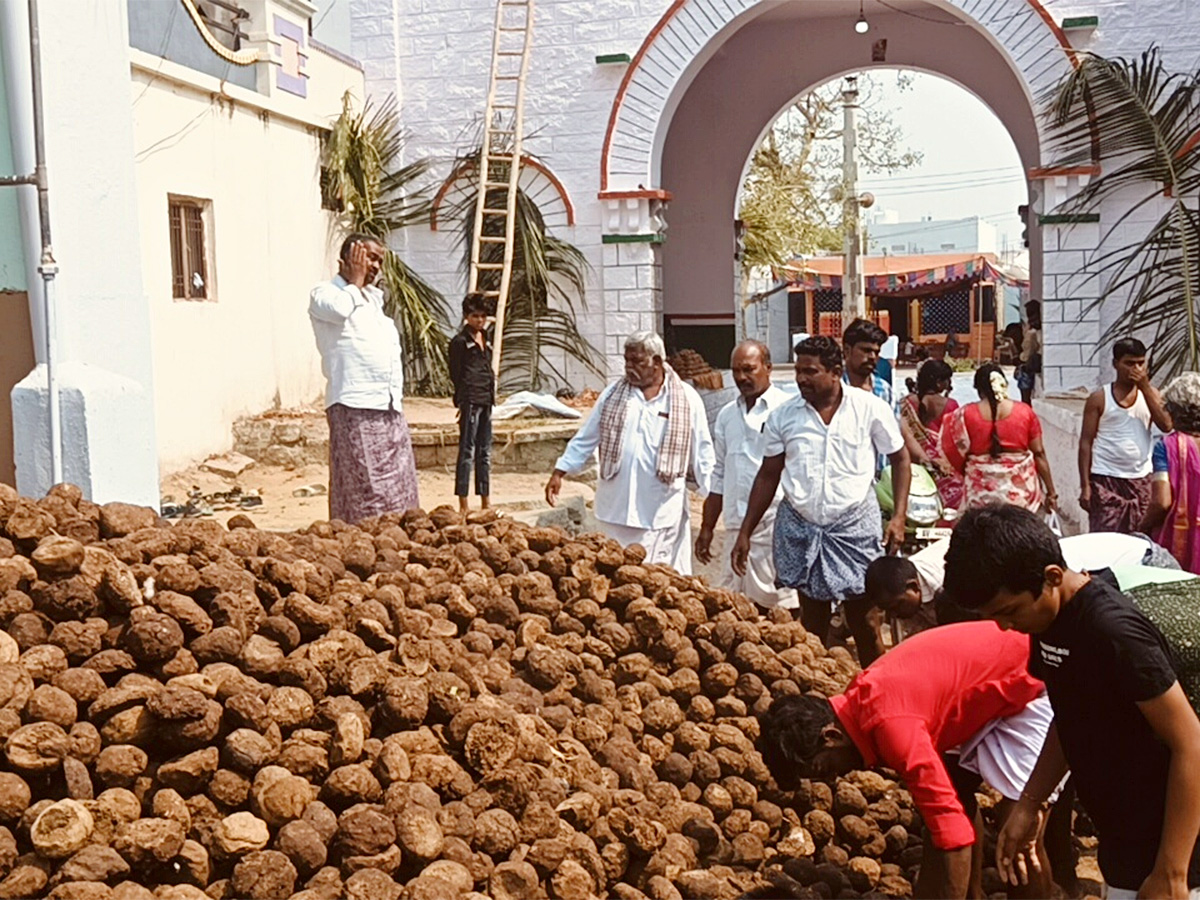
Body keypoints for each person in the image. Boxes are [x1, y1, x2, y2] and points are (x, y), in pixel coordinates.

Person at [943, 504, 1200, 900]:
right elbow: (1069, 716)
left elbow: (1191, 742)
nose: (1005, 626)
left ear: (1052, 576)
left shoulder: (1112, 632)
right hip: (1123, 836)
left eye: (1009, 612)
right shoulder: (1048, 621)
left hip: (1173, 843)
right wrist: (1029, 803)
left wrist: (1172, 872)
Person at [758, 622, 1055, 899]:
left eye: (824, 768)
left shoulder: (892, 728)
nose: (833, 778)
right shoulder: (858, 704)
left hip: (1033, 676)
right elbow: (943, 823)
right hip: (981, 688)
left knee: (1018, 832)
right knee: (949, 799)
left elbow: (954, 835)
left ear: (831, 736)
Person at [731, 336, 910, 665]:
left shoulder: (870, 408)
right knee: (812, 626)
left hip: (854, 531)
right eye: (798, 371)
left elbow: (900, 459)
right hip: (802, 529)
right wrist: (745, 531)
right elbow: (768, 475)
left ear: (835, 372)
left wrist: (899, 517)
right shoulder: (784, 416)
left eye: (810, 372)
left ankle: (875, 687)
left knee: (865, 622)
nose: (801, 379)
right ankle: (817, 688)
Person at [545, 331, 714, 574]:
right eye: (627, 360)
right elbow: (586, 437)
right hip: (616, 508)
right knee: (614, 574)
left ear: (657, 362)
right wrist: (560, 471)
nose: (629, 367)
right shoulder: (613, 395)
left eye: (637, 361)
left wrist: (712, 494)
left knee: (658, 576)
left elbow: (703, 450)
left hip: (659, 510)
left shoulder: (686, 399)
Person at [865, 530, 1180, 642]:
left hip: (1144, 564)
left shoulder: (1053, 585)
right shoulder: (1011, 582)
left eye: (1007, 613)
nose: (1005, 625)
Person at [309, 233, 420, 524]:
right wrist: (356, 281)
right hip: (355, 405)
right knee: (366, 489)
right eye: (369, 257)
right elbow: (339, 310)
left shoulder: (373, 300)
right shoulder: (325, 294)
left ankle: (398, 537)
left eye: (379, 261)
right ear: (347, 258)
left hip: (388, 405)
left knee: (399, 488)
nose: (375, 266)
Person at [695, 341, 798, 609]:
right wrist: (707, 527)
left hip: (773, 525)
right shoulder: (727, 415)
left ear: (768, 368)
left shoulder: (787, 410)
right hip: (734, 524)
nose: (741, 377)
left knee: (780, 606)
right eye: (736, 371)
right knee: (734, 606)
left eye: (749, 369)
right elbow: (719, 473)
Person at [1079, 338, 1172, 534]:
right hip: (1106, 478)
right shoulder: (1099, 398)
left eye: (1140, 363)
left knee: (1140, 538)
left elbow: (1166, 425)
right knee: (1106, 537)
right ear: (1115, 364)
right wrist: (1085, 486)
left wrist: (1145, 387)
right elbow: (1086, 443)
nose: (1136, 369)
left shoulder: (1152, 395)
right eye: (1129, 363)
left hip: (1141, 479)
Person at [941, 362, 1057, 512]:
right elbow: (1039, 453)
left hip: (980, 495)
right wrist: (1051, 492)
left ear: (978, 389)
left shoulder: (964, 414)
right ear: (1004, 384)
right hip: (1022, 497)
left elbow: (952, 451)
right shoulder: (1025, 412)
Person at [1143, 372, 1200, 574]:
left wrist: (1143, 526)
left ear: (1173, 411)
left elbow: (1161, 502)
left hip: (1180, 544)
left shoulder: (1167, 447)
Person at [448, 293, 496, 514]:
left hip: (486, 398)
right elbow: (455, 373)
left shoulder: (486, 338)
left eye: (483, 316)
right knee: (467, 451)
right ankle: (464, 504)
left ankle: (486, 501)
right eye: (475, 316)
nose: (479, 320)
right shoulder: (459, 342)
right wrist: (461, 399)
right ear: (467, 316)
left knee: (484, 452)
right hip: (470, 398)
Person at [899, 359, 964, 510]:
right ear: (939, 383)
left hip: (914, 467)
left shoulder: (905, 403)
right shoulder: (950, 405)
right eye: (947, 380)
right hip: (942, 470)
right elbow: (956, 440)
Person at [842, 317, 895, 411]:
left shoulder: (884, 390)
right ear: (847, 350)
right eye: (866, 351)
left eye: (876, 352)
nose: (872, 357)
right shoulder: (834, 388)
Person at [1016, 301, 1042, 404]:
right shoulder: (1038, 327)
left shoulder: (1031, 332)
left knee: (1025, 395)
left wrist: (1020, 358)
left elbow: (1028, 353)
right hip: (1036, 361)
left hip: (1032, 364)